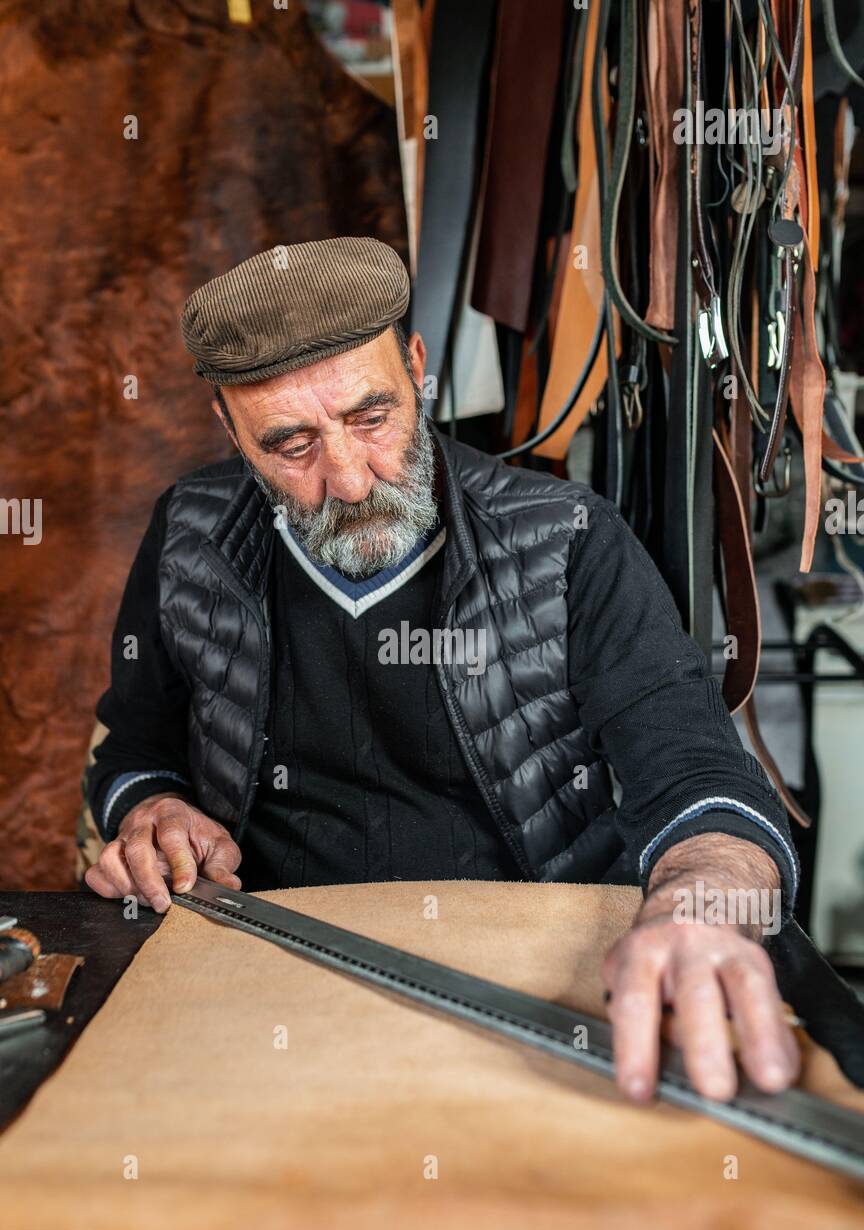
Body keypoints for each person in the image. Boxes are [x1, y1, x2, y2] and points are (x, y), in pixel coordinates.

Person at [85, 236, 801, 1106]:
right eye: (290, 443)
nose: (349, 479)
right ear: (227, 426)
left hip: (530, 985)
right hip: (264, 973)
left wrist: (703, 901)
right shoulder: (189, 536)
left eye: (371, 416)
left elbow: (699, 777)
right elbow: (134, 749)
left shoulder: (567, 539)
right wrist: (149, 809)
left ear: (417, 367)